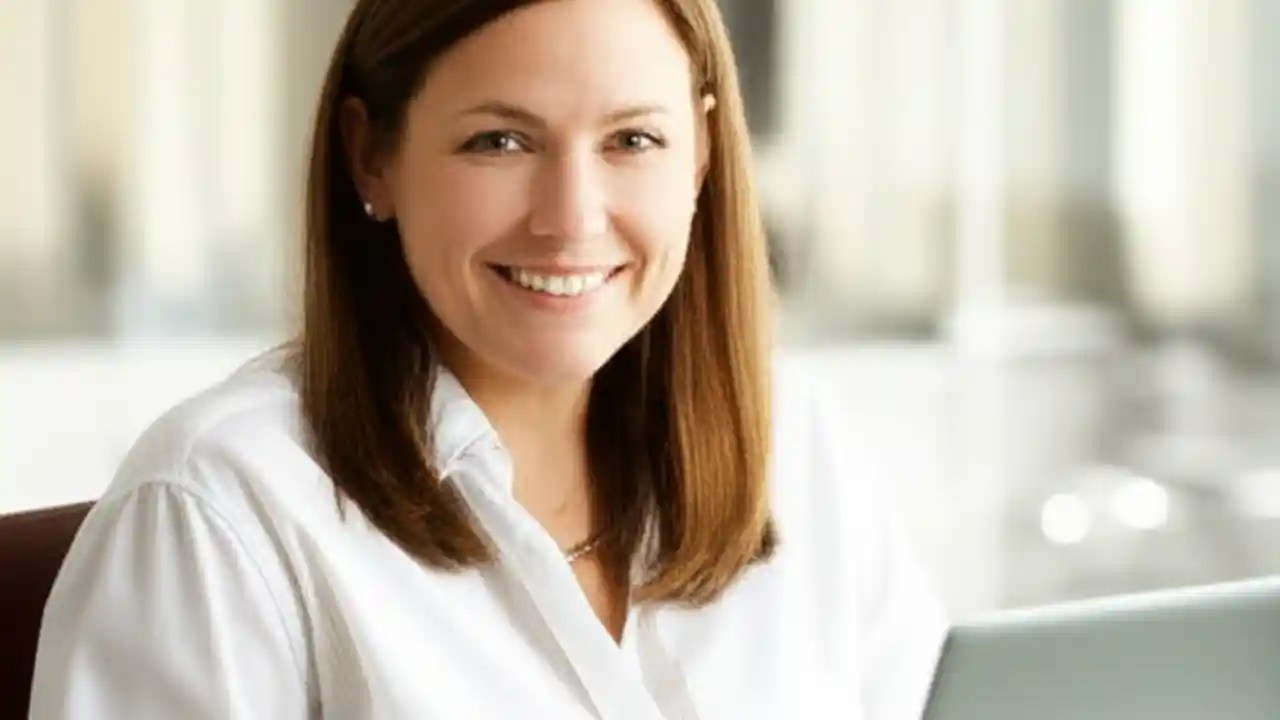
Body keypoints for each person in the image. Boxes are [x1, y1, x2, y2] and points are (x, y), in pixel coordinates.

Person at [30, 0, 947, 717]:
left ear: (702, 154)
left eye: (633, 140)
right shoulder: (222, 509)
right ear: (371, 158)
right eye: (500, 141)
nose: (571, 218)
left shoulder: (800, 446)